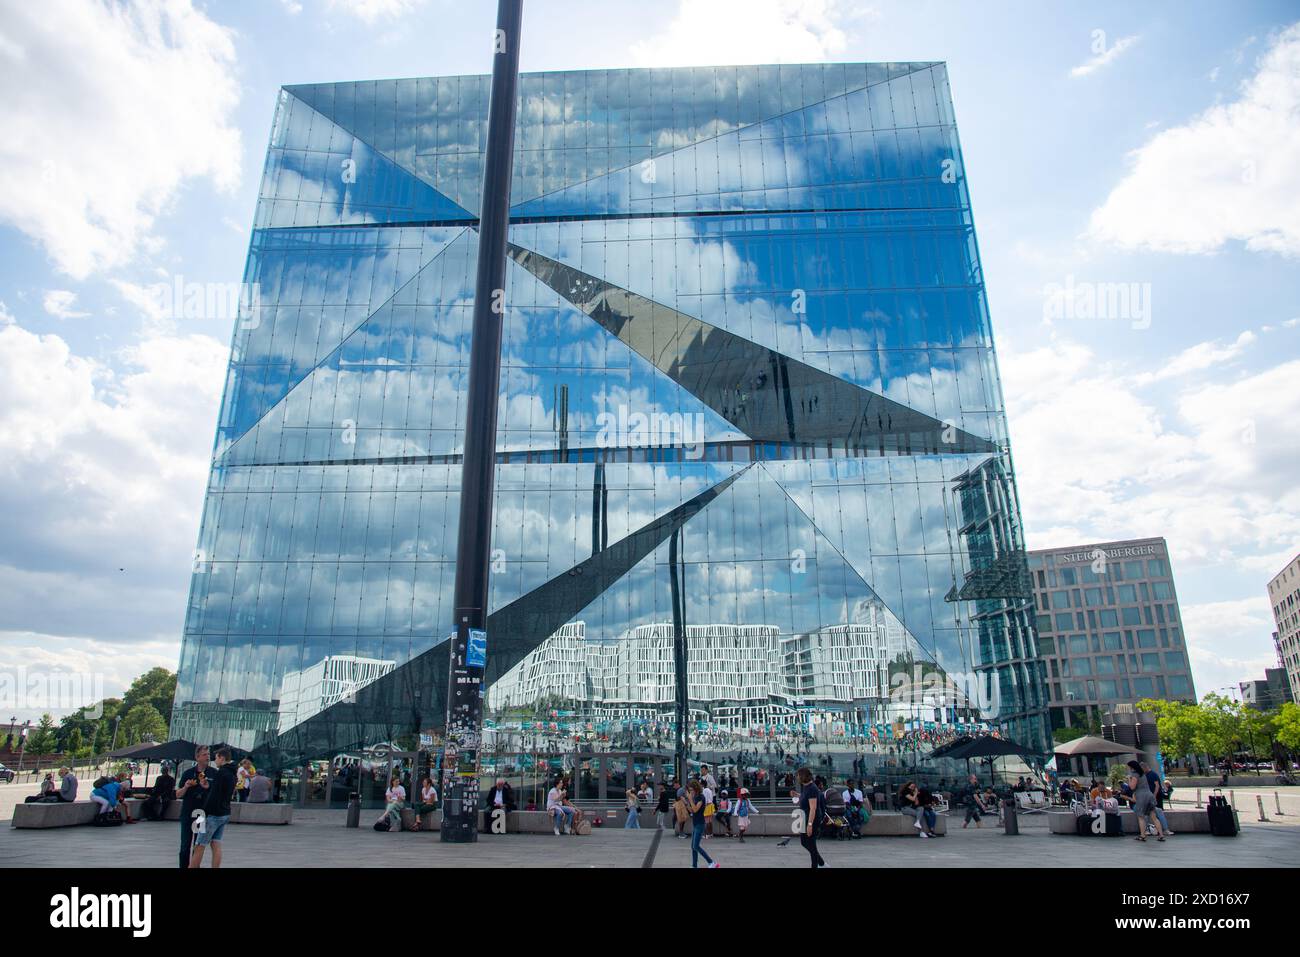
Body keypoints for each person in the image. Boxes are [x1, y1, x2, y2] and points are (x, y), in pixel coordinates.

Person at [190, 746, 237, 868]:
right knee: (216, 844)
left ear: (222, 758)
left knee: (199, 845)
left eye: (216, 757)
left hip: (213, 815)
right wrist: (209, 786)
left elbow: (214, 796)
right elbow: (223, 792)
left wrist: (205, 812)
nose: (214, 760)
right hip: (225, 813)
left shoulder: (221, 772)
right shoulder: (232, 773)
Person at [176, 745, 212, 869]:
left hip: (201, 813)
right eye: (204, 754)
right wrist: (186, 787)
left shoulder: (213, 773)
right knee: (185, 846)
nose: (207, 756)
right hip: (187, 811)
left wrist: (207, 787)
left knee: (197, 845)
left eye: (208, 754)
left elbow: (217, 794)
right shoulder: (188, 773)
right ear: (197, 757)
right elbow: (177, 794)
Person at [1127, 760, 1165, 843]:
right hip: (1149, 795)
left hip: (1141, 796)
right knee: (1154, 816)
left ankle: (1143, 835)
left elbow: (1132, 787)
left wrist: (1129, 779)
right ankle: (1161, 835)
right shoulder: (1143, 774)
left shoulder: (1134, 775)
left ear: (1131, 767)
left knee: (1141, 817)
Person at [685, 781, 719, 868]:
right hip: (695, 823)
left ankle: (711, 862)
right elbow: (692, 810)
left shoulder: (701, 797)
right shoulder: (695, 797)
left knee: (696, 846)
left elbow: (696, 809)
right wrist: (687, 803)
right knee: (693, 847)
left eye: (691, 790)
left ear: (696, 788)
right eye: (689, 790)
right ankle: (694, 866)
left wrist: (690, 799)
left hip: (700, 824)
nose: (690, 791)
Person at [796, 767, 826, 868]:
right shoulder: (806, 787)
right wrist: (798, 795)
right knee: (804, 842)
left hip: (811, 818)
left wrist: (810, 825)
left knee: (811, 843)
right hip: (805, 817)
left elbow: (813, 808)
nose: (797, 777)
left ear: (803, 776)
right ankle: (821, 862)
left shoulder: (812, 788)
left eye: (798, 775)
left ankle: (816, 865)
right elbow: (807, 797)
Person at [1142, 762, 1174, 836]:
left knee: (1156, 813)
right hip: (1150, 797)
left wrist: (1154, 796)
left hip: (1154, 798)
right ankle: (1163, 830)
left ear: (1145, 767)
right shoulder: (1146, 775)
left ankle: (1164, 830)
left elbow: (1157, 786)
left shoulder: (1153, 774)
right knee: (1151, 814)